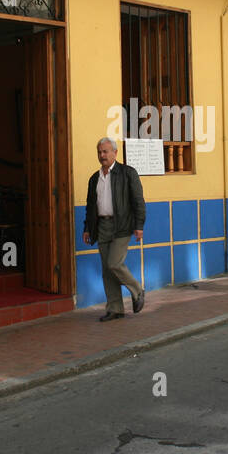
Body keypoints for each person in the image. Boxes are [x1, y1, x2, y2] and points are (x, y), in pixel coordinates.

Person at [82, 137, 145, 321]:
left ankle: (137, 290)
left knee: (114, 263)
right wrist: (87, 228)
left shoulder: (127, 173)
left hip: (122, 226)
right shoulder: (95, 178)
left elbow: (138, 201)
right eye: (100, 152)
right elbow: (90, 206)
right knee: (107, 270)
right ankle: (115, 308)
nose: (102, 155)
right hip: (102, 226)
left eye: (106, 151)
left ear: (115, 153)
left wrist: (139, 225)